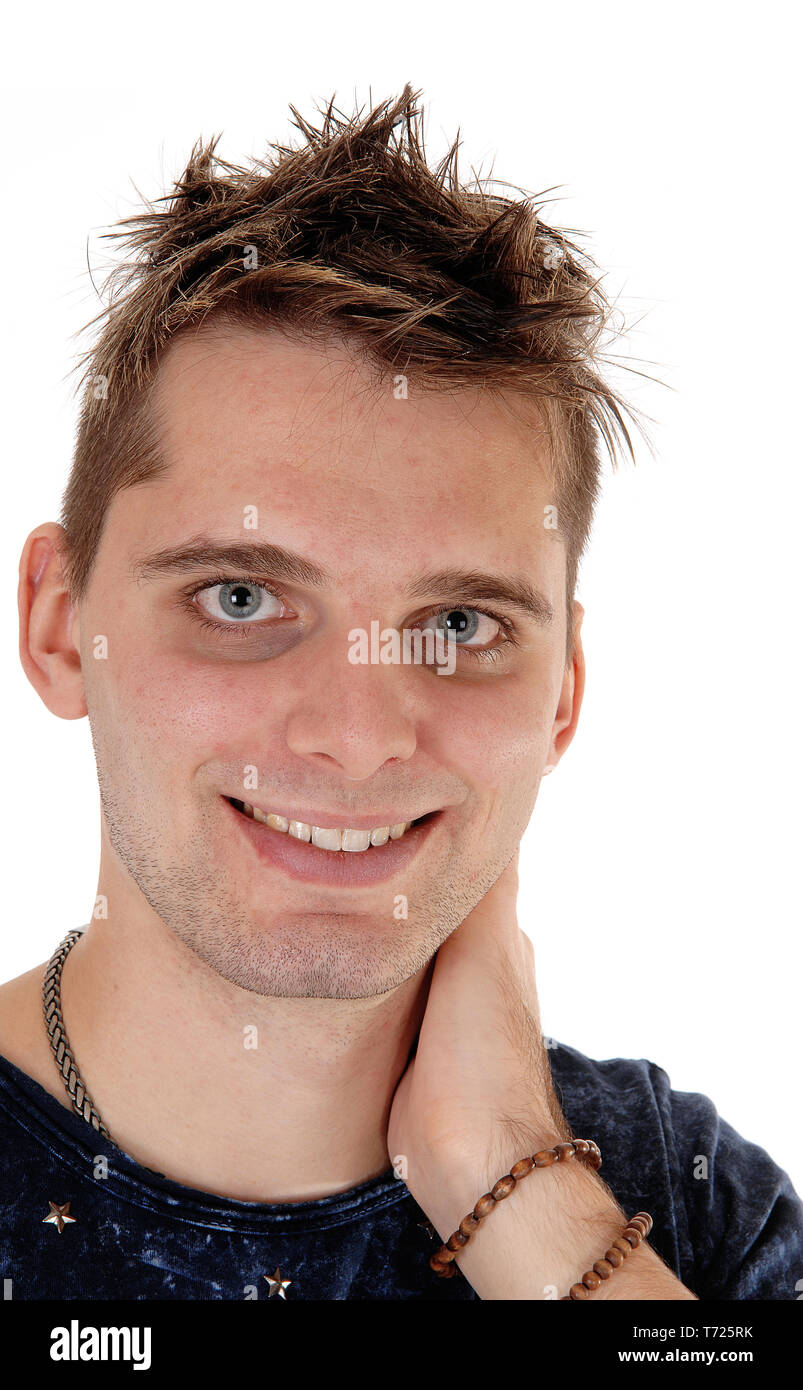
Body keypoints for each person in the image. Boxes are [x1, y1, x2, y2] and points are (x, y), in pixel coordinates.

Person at [0, 85, 799, 1301]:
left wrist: (510, 1179)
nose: (358, 734)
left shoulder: (680, 1208)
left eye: (459, 624)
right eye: (239, 598)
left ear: (562, 696)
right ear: (61, 625)